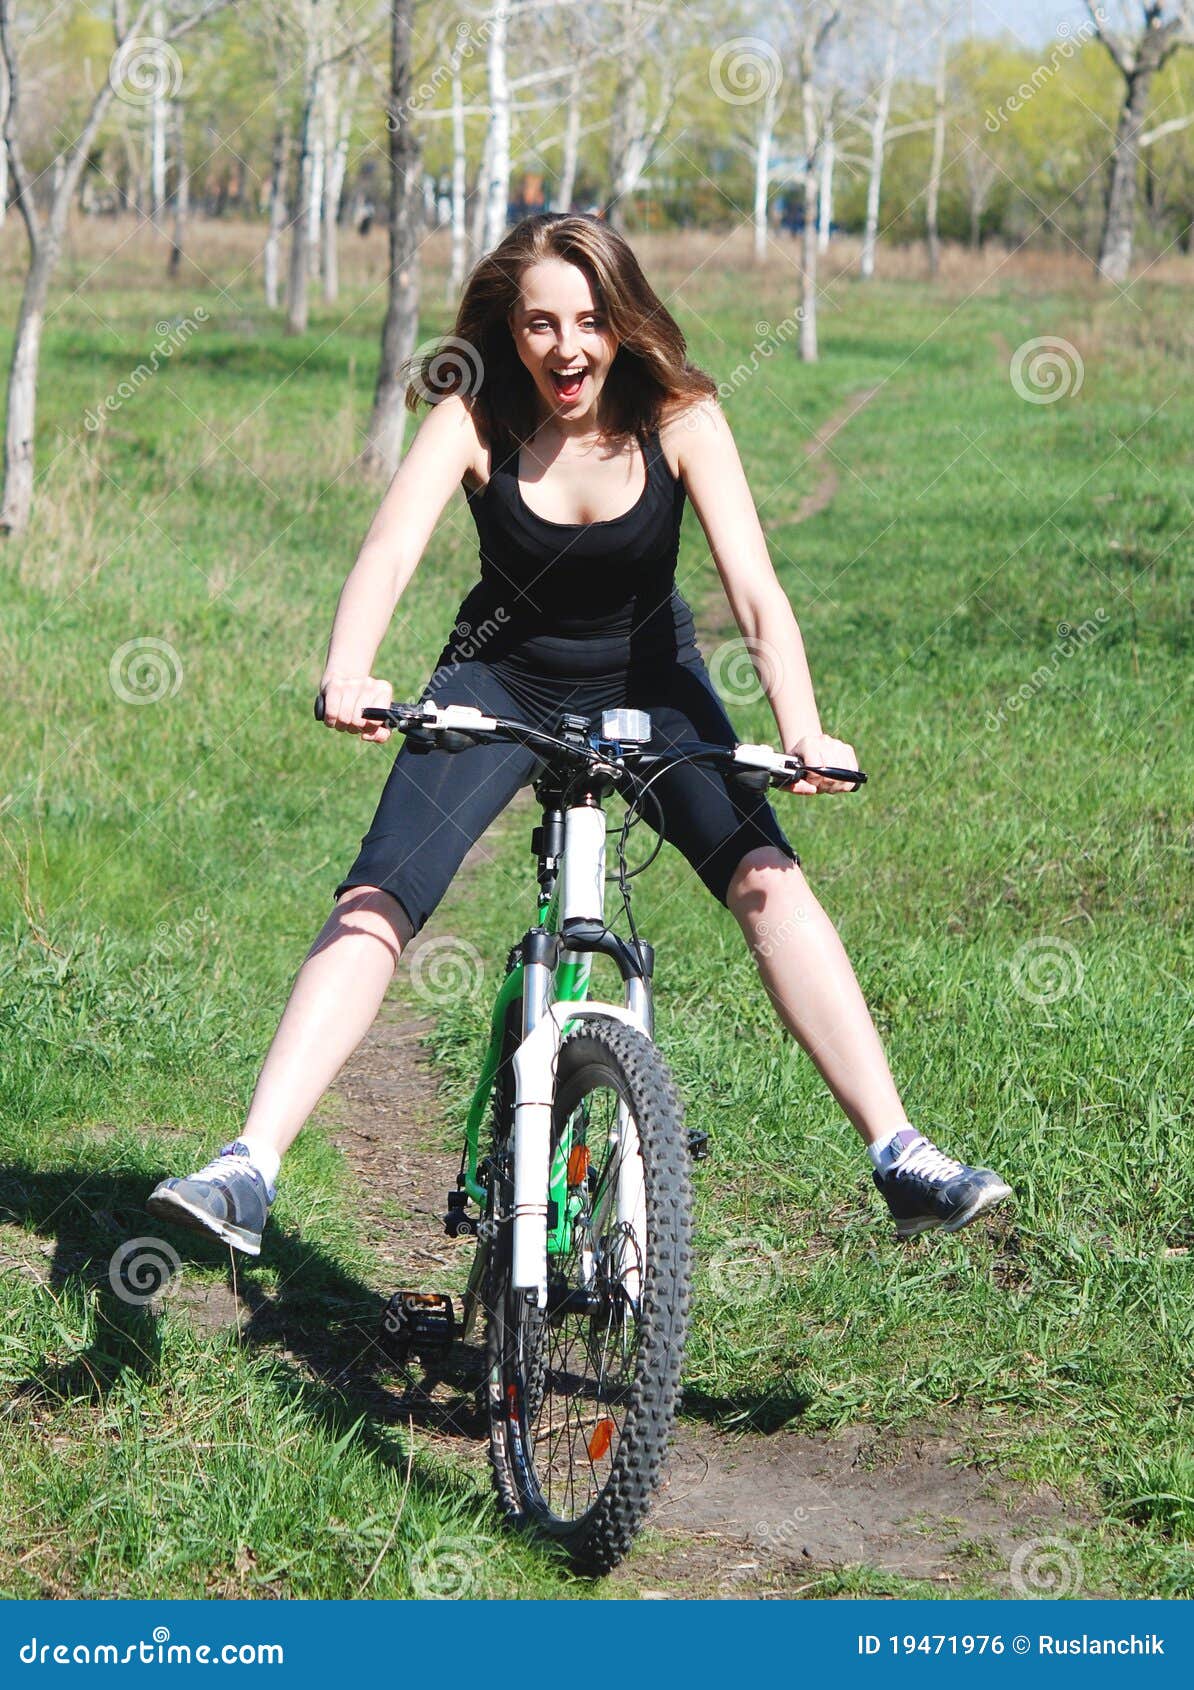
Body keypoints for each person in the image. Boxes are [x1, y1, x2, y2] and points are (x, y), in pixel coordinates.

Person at [147, 213, 1011, 1258]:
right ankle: (250, 1165)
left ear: (624, 319)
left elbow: (754, 588)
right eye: (542, 324)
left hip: (653, 682)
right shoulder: (476, 416)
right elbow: (387, 550)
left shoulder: (681, 414)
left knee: (769, 882)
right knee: (377, 898)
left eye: (591, 321)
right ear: (510, 331)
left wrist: (806, 732)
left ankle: (900, 1151)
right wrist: (349, 666)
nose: (568, 348)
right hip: (498, 679)